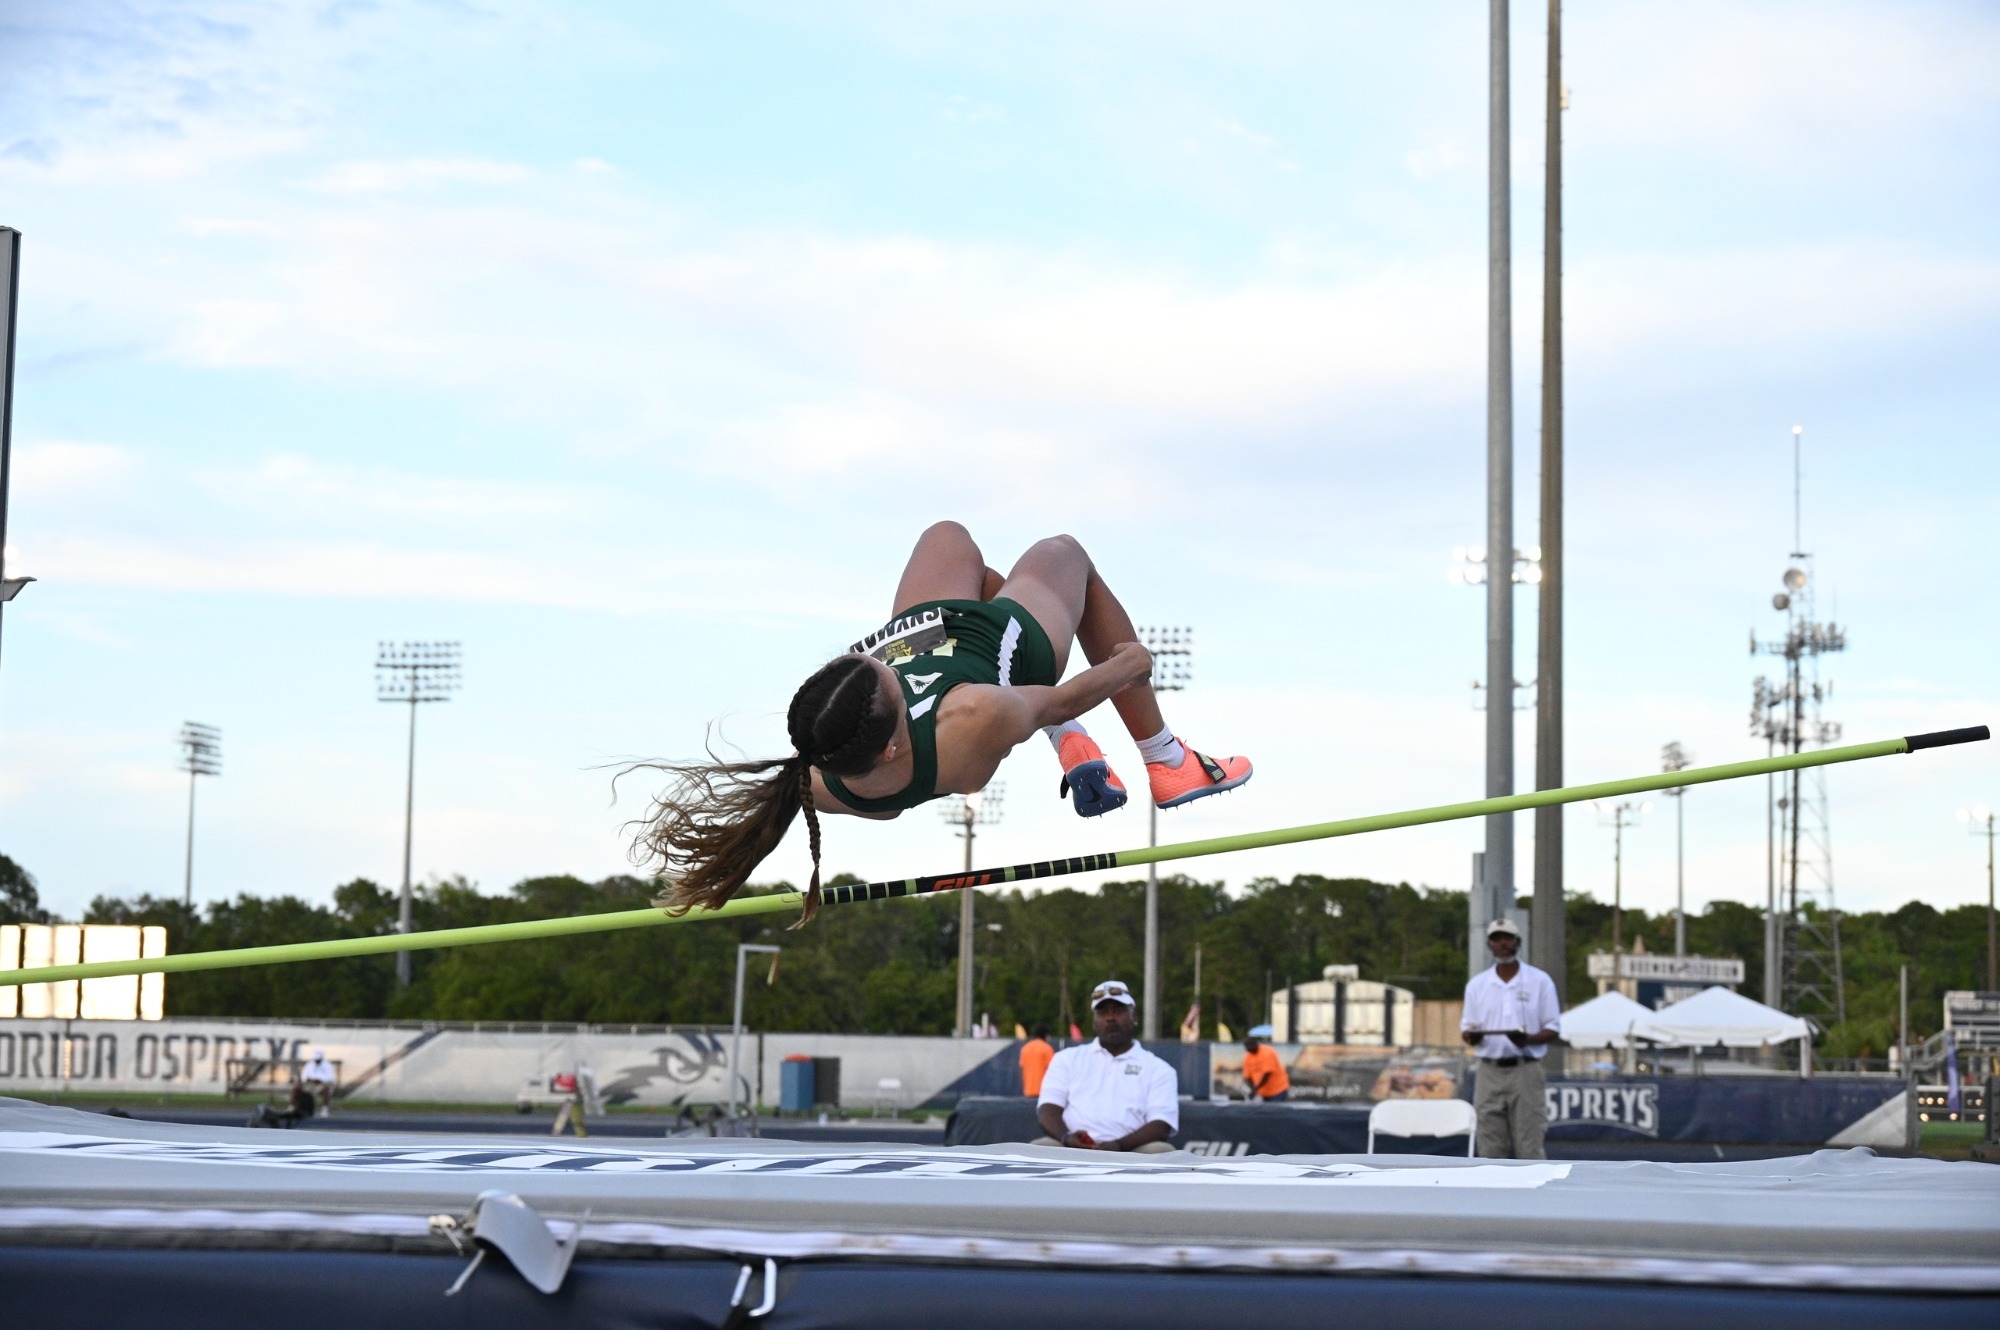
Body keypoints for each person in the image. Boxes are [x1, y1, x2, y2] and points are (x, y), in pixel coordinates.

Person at [628, 524, 1253, 918]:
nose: (890, 670)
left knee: (950, 540)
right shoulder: (973, 716)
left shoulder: (819, 774)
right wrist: (1132, 663)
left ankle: (1071, 747)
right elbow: (1058, 698)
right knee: (1064, 554)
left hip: (926, 639)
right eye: (894, 685)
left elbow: (862, 771)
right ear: (896, 746)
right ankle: (1168, 760)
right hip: (999, 649)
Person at [1034, 980, 1179, 1152]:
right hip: (1072, 1148)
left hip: (1131, 1151)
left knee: (1160, 1150)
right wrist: (1066, 1138)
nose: (1110, 1018)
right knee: (1040, 1147)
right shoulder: (1066, 1059)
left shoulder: (1159, 1068)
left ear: (1135, 1017)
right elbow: (1048, 1109)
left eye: (1119, 1010)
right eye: (1102, 1012)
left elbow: (1161, 1124)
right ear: (1094, 1021)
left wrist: (1118, 1145)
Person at [1460, 918, 1561, 1159]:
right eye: (1496, 939)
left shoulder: (1539, 981)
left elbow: (1553, 1027)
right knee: (1489, 1143)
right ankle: (1493, 1195)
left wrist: (1527, 1040)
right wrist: (1472, 1036)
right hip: (1488, 1070)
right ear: (1489, 944)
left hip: (1524, 1068)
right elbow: (1467, 1029)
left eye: (1507, 938)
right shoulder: (1478, 985)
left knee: (1529, 1142)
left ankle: (1535, 1194)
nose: (1502, 943)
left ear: (1518, 942)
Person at [1240, 1025, 1290, 1102]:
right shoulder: (1248, 1057)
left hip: (1278, 1090)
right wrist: (1253, 1089)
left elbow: (1267, 1074)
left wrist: (1255, 1089)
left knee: (1275, 1112)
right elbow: (1247, 1077)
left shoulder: (1268, 1052)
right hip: (1263, 1092)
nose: (1248, 1048)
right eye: (1246, 1047)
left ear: (1256, 1044)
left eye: (1250, 1045)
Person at [298, 1049, 338, 1117]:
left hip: (322, 1084)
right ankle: (296, 1107)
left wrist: (319, 1080)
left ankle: (325, 1109)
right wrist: (309, 1080)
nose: (317, 1062)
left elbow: (331, 1077)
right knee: (297, 1088)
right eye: (316, 1060)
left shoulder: (327, 1065)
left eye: (318, 1060)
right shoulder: (309, 1065)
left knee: (326, 1090)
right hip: (310, 1084)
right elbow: (304, 1076)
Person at [1019, 1024, 1055, 1097]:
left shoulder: (1025, 1048)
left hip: (1028, 1091)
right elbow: (1052, 1069)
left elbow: (1022, 1067)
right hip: (1044, 1091)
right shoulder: (1046, 1048)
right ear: (1045, 1035)